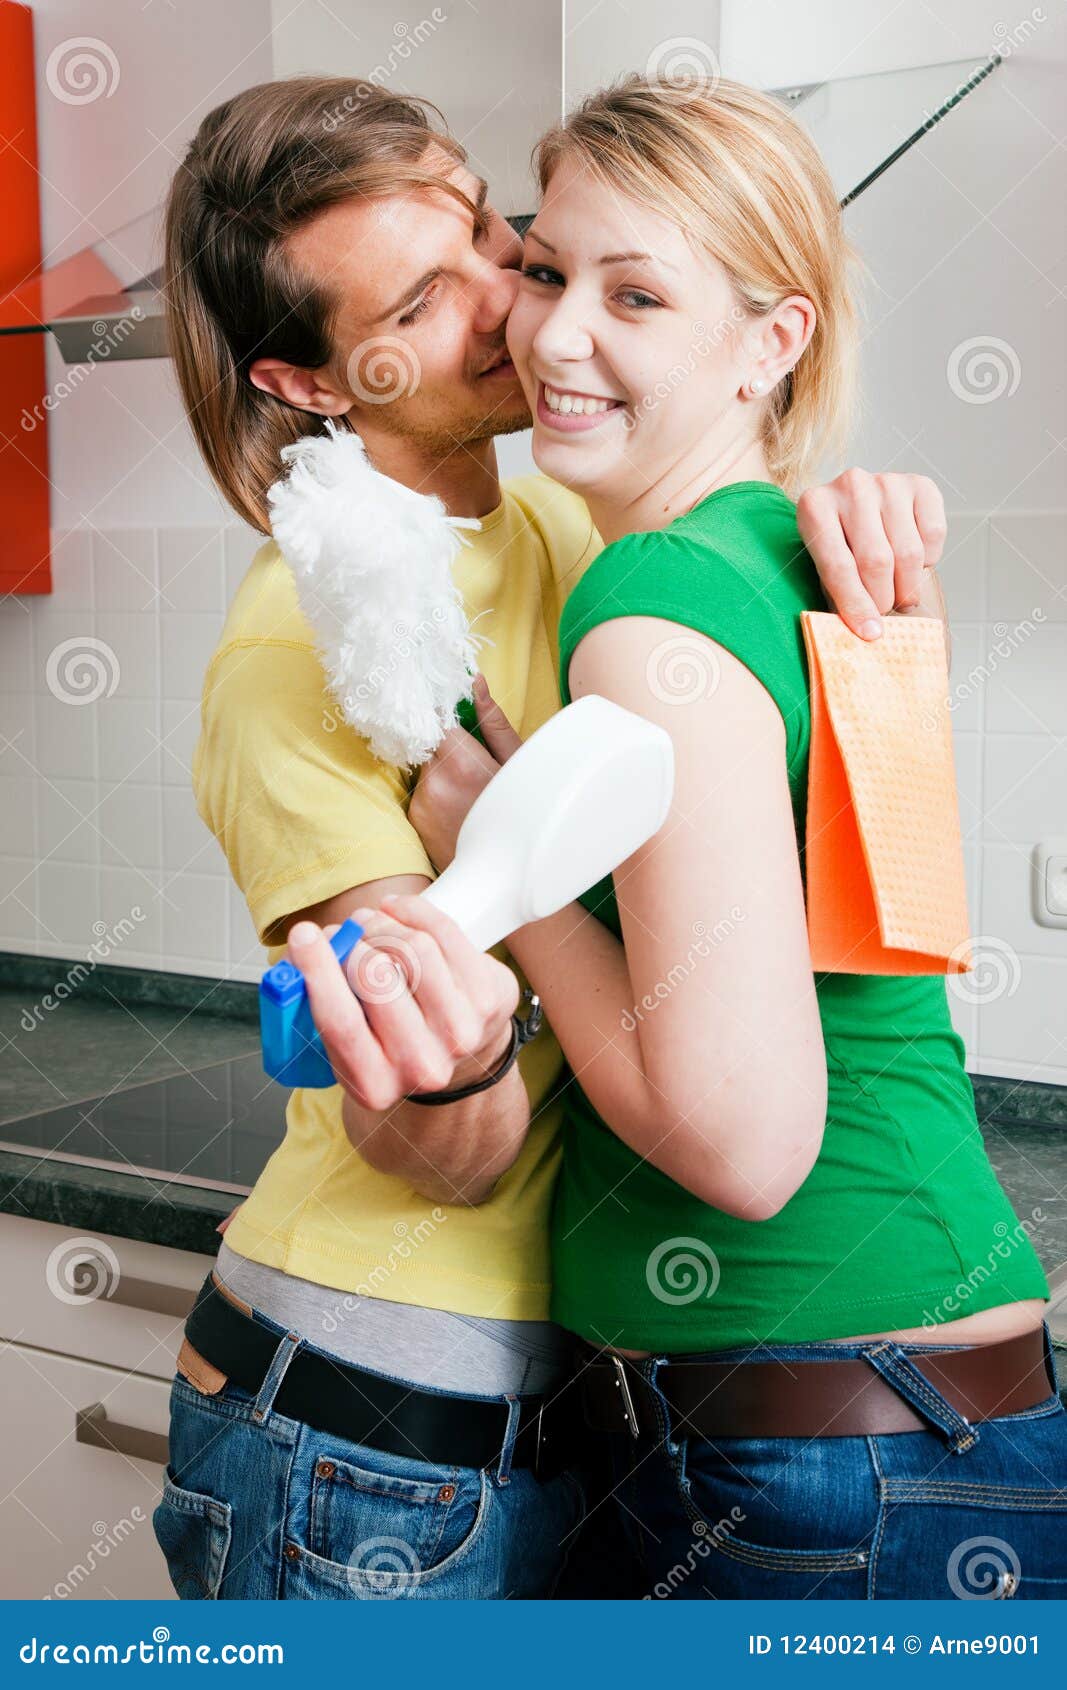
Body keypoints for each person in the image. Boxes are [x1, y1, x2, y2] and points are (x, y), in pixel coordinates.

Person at [156, 74, 954, 1601]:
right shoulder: (292, 650)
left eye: (481, 227)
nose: (514, 298)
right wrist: (455, 1036)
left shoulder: (569, 529)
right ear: (318, 383)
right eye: (429, 295)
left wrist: (845, 506)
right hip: (370, 1424)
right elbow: (431, 1144)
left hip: (585, 1401)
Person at [409, 75, 1067, 1601]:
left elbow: (745, 1146)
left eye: (637, 293)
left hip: (805, 1461)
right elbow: (894, 927)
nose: (556, 334)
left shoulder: (650, 601)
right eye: (549, 267)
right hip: (930, 1420)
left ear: (773, 341)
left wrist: (503, 879)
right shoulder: (811, 560)